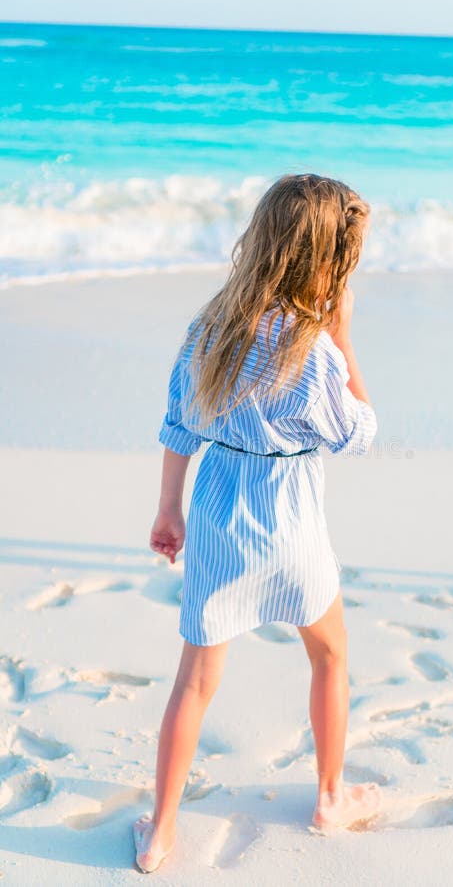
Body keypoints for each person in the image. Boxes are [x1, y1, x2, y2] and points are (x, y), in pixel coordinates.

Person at [133, 173, 381, 874]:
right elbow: (358, 434)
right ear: (328, 261)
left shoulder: (210, 329)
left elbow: (179, 424)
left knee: (195, 681)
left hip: (218, 514)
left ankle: (162, 834)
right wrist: (345, 340)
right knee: (329, 653)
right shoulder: (313, 352)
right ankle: (330, 795)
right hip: (294, 521)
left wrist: (167, 510)